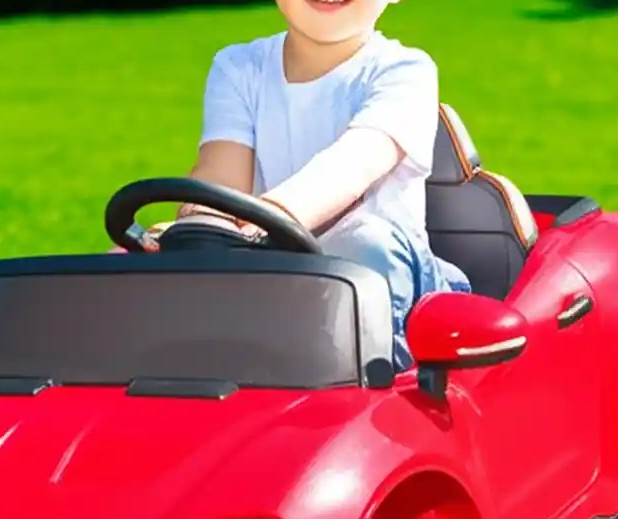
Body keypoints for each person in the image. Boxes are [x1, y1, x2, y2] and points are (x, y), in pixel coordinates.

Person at [144, 0, 471, 371]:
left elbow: (354, 163)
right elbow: (221, 171)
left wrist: (266, 220)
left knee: (362, 242)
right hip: (276, 279)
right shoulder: (239, 67)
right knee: (150, 257)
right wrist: (199, 224)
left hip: (391, 293)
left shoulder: (404, 70)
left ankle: (374, 382)